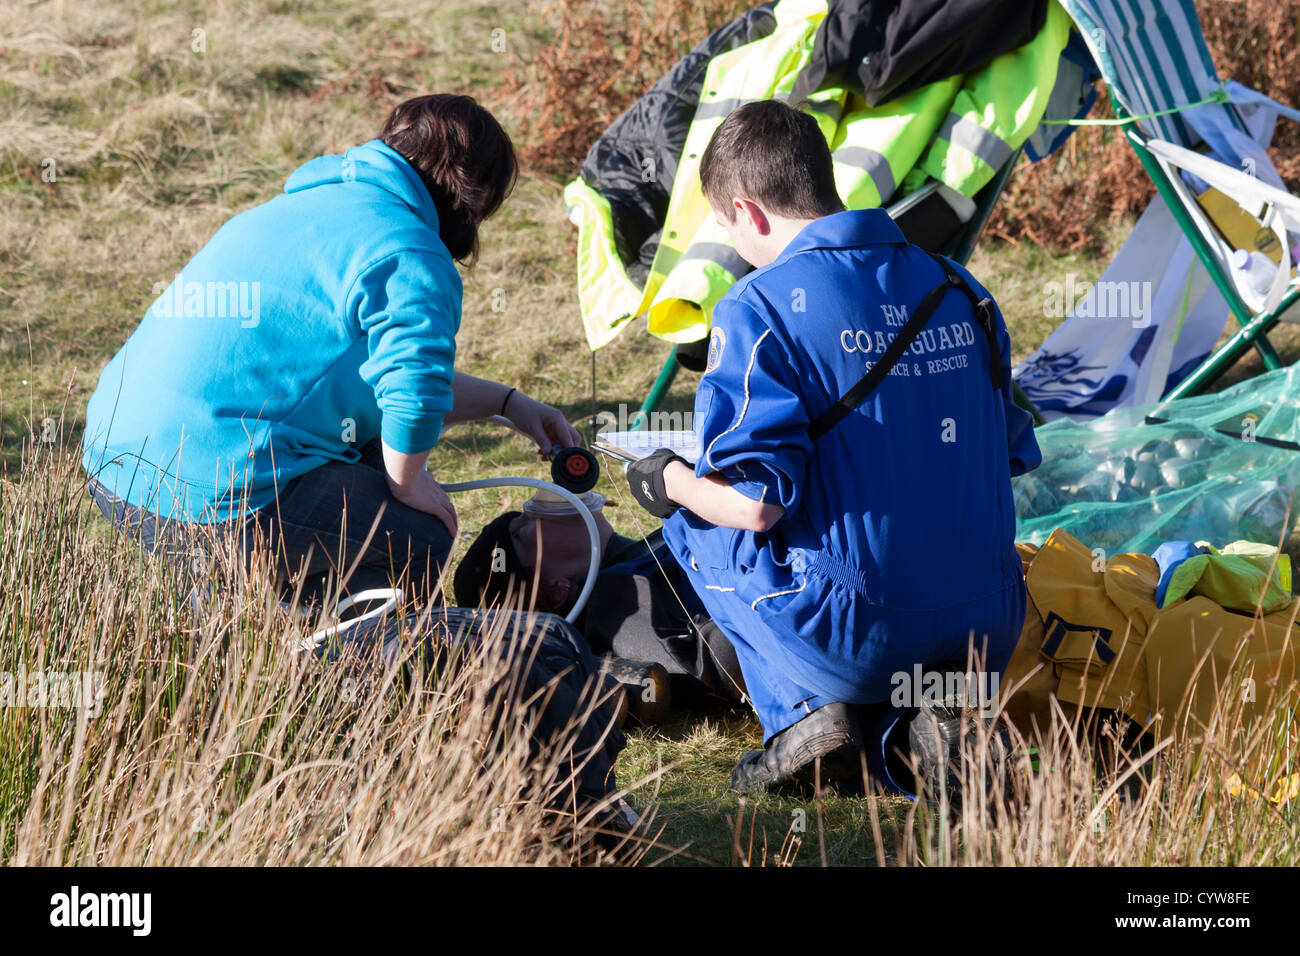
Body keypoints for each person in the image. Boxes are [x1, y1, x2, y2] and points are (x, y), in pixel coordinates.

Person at [623, 100, 1041, 795]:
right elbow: (1012, 453)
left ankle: (806, 715)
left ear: (747, 211)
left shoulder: (757, 307)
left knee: (692, 517)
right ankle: (923, 718)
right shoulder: (961, 288)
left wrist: (667, 479)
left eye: (726, 228)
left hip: (859, 632)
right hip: (988, 622)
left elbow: (753, 505)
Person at [82, 94, 579, 606]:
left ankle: (243, 622)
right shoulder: (411, 251)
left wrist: (508, 403)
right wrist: (407, 489)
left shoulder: (303, 205)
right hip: (207, 495)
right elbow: (414, 395)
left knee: (368, 458)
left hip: (115, 463)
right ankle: (353, 664)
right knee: (419, 534)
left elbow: (381, 379)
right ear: (472, 196)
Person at [452, 504, 747, 714]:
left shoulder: (635, 565)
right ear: (554, 591)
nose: (533, 511)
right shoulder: (620, 604)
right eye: (520, 532)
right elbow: (727, 656)